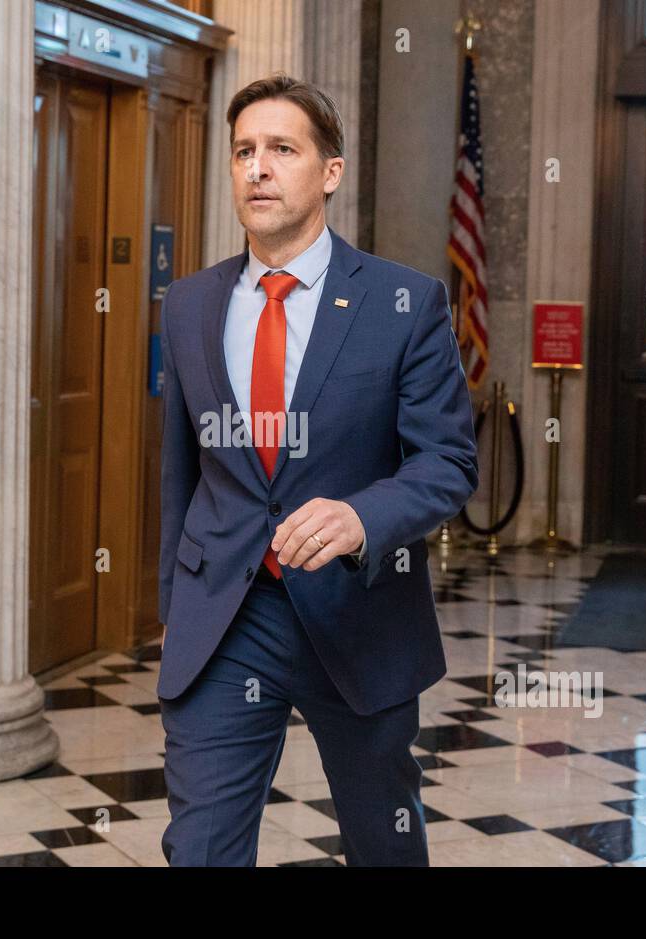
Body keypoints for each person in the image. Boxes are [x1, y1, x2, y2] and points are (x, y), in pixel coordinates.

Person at [155, 73, 478, 866]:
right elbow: (180, 470)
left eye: (281, 149)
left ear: (329, 171)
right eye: (243, 151)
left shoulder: (405, 304)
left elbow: (448, 461)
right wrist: (176, 603)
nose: (257, 168)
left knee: (382, 837)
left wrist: (362, 518)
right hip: (227, 613)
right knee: (199, 846)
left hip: (357, 612)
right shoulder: (189, 304)